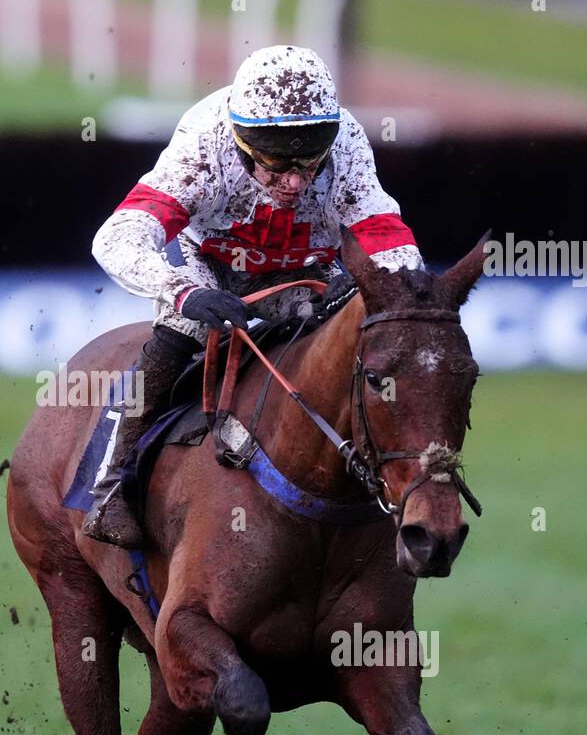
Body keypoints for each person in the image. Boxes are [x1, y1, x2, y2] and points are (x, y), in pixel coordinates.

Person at [83, 44, 423, 549]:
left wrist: (401, 293)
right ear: (242, 145)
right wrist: (184, 292)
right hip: (214, 271)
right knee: (181, 333)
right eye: (274, 163)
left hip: (312, 273)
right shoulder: (204, 145)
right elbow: (117, 236)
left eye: (309, 163)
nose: (292, 181)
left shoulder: (347, 143)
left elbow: (392, 244)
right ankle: (109, 489)